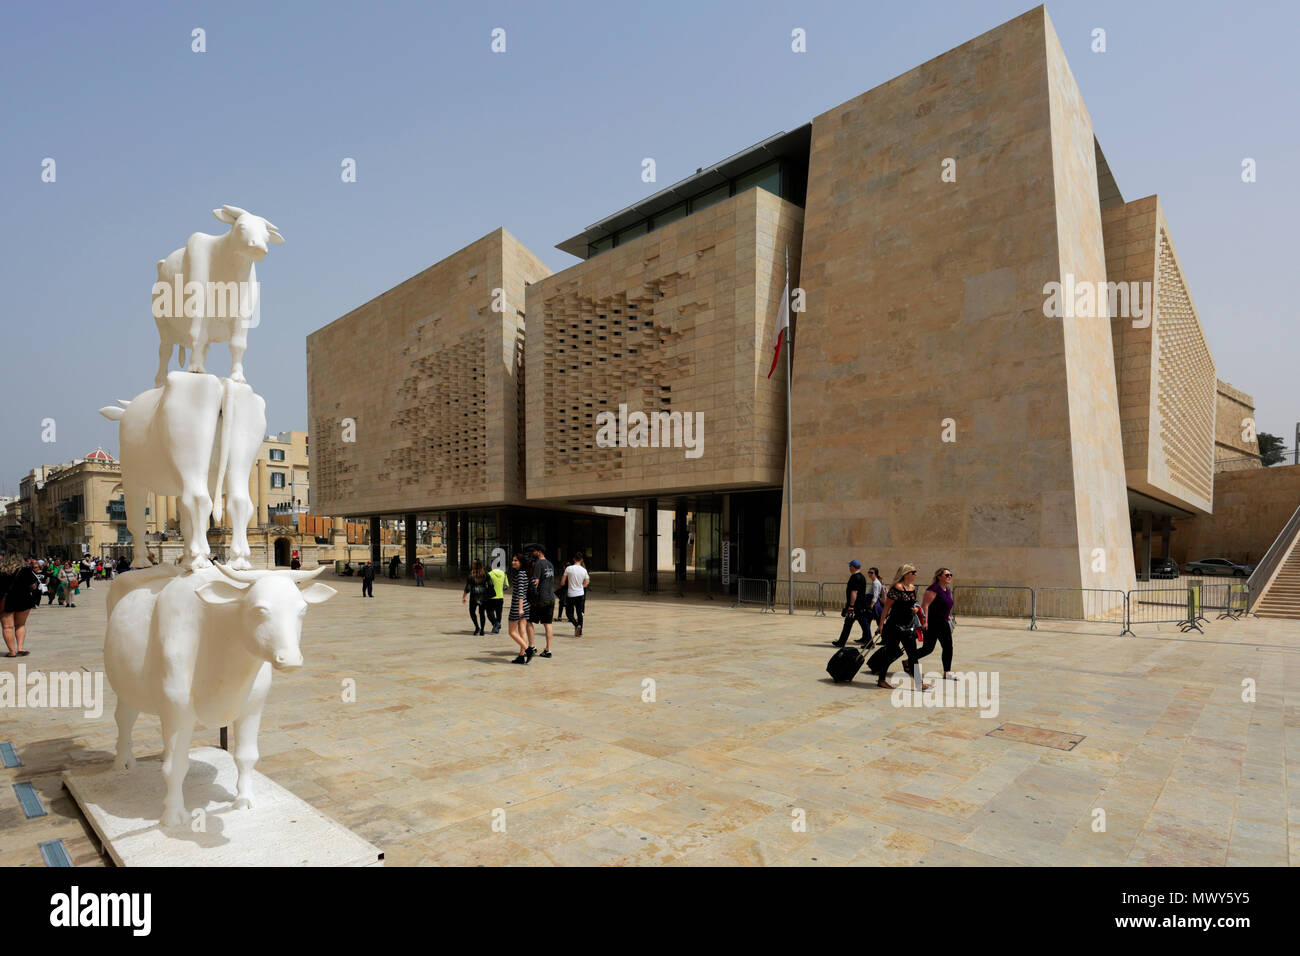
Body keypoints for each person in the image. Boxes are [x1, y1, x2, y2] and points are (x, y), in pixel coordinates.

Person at [865, 564, 932, 691]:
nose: (915, 574)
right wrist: (880, 625)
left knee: (913, 655)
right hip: (894, 626)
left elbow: (911, 604)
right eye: (913, 572)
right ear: (906, 574)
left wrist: (914, 609)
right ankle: (881, 680)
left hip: (908, 626)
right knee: (890, 654)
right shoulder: (897, 588)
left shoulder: (912, 588)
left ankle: (919, 683)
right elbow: (886, 608)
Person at [918, 568, 957, 680]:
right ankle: (909, 660)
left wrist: (947, 615)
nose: (949, 576)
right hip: (932, 623)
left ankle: (947, 672)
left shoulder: (947, 589)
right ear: (939, 577)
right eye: (946, 575)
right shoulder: (934, 588)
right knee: (928, 649)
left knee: (948, 646)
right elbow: (925, 605)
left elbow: (946, 604)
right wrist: (925, 621)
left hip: (943, 622)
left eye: (950, 574)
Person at [2, 557, 41, 657]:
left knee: (7, 627)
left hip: (6, 600)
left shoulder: (2, 570)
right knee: (20, 625)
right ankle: (20, 647)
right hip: (24, 599)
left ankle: (12, 652)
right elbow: (33, 584)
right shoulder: (26, 570)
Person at [832, 559, 872, 648]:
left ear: (853, 567)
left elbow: (854, 592)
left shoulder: (855, 577)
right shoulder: (861, 577)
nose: (849, 567)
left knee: (861, 623)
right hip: (860, 605)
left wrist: (851, 606)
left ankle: (842, 642)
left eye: (850, 566)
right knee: (852, 623)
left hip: (855, 607)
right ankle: (842, 642)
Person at [527, 544, 556, 658]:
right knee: (548, 624)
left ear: (539, 552)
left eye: (533, 551)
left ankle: (532, 646)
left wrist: (530, 597)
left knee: (529, 621)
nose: (531, 553)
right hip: (551, 598)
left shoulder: (538, 564)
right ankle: (548, 650)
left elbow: (535, 582)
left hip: (540, 599)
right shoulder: (550, 564)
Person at [506, 552, 535, 664]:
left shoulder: (520, 575)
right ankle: (521, 656)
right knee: (522, 630)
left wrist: (520, 608)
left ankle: (527, 649)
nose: (513, 562)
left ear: (521, 563)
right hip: (526, 605)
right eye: (513, 560)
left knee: (512, 631)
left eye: (516, 560)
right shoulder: (526, 574)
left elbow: (521, 593)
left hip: (518, 606)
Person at [562, 552, 590, 636]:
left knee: (569, 613)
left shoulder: (569, 569)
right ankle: (580, 632)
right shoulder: (584, 570)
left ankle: (576, 624)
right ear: (581, 560)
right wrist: (580, 586)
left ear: (574, 559)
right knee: (579, 612)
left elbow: (562, 582)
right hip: (580, 593)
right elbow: (586, 583)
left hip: (571, 594)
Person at [462, 560, 489, 635]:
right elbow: (491, 584)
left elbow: (468, 587)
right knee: (482, 613)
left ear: (474, 565)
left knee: (472, 612)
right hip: (483, 595)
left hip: (474, 596)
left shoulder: (471, 575)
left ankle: (477, 627)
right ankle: (482, 630)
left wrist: (464, 596)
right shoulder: (485, 574)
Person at [486, 561, 506, 634]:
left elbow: (486, 585)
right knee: (499, 613)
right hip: (500, 597)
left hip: (491, 597)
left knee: (489, 612)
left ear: (492, 565)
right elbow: (506, 586)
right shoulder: (503, 574)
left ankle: (495, 624)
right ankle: (497, 629)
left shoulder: (489, 574)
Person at [867, 567, 885, 638]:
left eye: (871, 573)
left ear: (876, 574)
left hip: (875, 605)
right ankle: (865, 637)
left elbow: (875, 595)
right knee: (870, 621)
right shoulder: (875, 582)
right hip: (875, 604)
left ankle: (884, 639)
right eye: (869, 572)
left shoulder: (875, 583)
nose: (869, 574)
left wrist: (871, 605)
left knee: (878, 621)